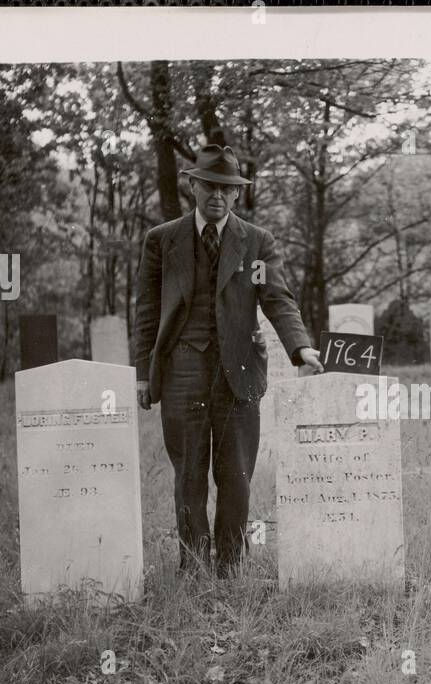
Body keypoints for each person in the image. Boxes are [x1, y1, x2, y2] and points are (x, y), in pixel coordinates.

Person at [133, 144, 323, 577]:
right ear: (193, 185)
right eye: (209, 186)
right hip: (182, 371)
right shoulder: (163, 241)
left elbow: (276, 298)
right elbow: (146, 310)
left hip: (239, 373)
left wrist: (300, 347)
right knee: (188, 474)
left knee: (236, 475)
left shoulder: (256, 242)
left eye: (227, 189)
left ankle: (231, 567)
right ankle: (195, 566)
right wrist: (145, 375)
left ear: (237, 195)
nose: (216, 195)